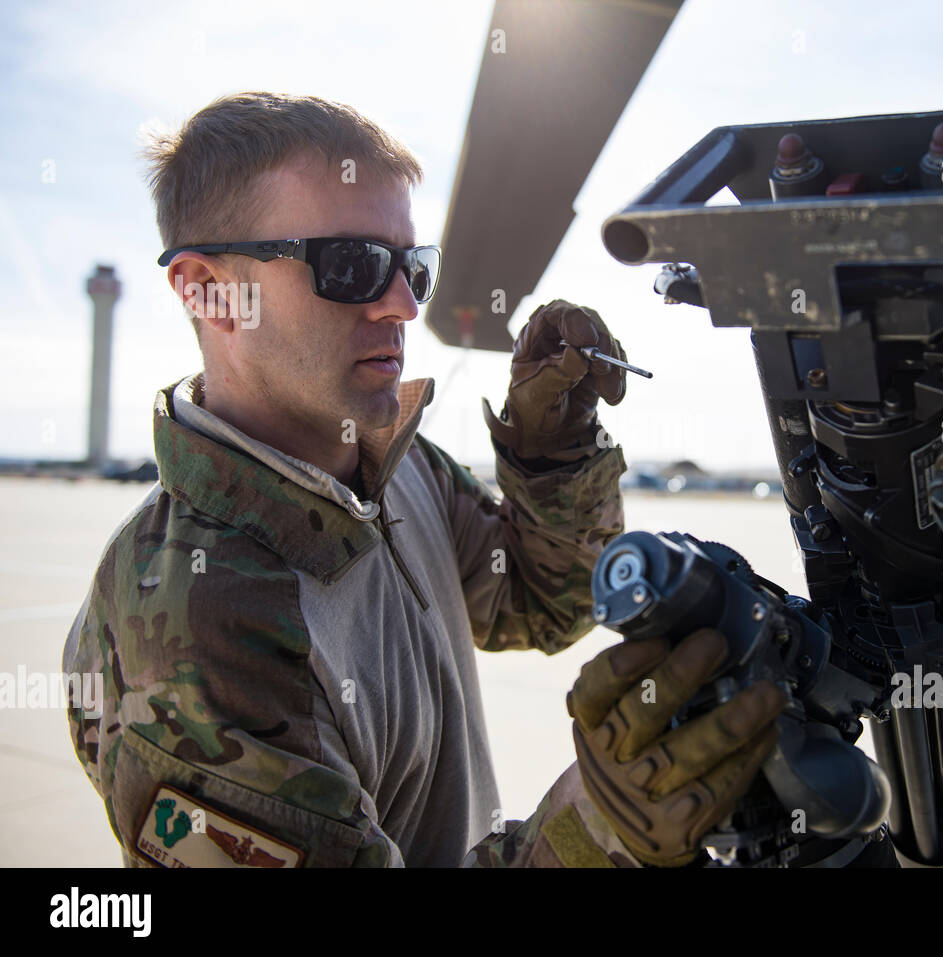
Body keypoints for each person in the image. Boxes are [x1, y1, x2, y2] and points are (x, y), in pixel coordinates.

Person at [62, 91, 786, 868]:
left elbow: (539, 607)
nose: (404, 304)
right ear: (207, 290)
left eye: (414, 267)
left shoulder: (389, 464)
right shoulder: (198, 626)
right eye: (352, 266)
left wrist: (552, 458)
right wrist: (593, 832)